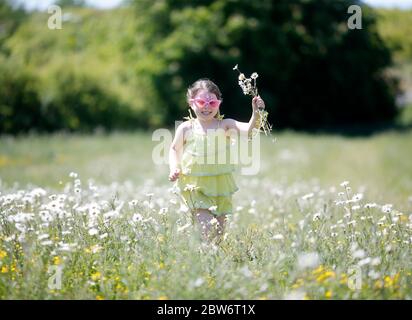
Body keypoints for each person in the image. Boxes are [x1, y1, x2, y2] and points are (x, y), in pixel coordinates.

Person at [169, 78, 265, 243]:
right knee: (206, 231)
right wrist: (174, 168)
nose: (207, 107)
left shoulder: (225, 125)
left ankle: (208, 262)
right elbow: (174, 149)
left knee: (217, 237)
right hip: (196, 186)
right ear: (191, 103)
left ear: (218, 104)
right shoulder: (186, 128)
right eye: (201, 102)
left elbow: (250, 131)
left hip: (221, 187)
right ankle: (202, 256)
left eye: (212, 103)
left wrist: (256, 113)